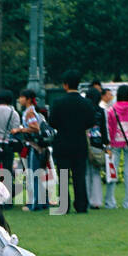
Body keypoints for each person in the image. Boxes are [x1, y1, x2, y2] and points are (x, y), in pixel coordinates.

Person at [48, 70, 96, 214]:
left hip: (62, 142)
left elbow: (52, 122)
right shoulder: (86, 103)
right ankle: (81, 205)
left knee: (63, 175)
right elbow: (91, 122)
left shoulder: (58, 102)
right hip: (80, 142)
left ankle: (64, 205)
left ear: (65, 85)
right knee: (79, 175)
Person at [106, 84, 128, 210]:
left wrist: (108, 144)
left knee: (112, 172)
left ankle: (110, 202)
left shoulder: (111, 110)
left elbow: (109, 128)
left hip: (114, 143)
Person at [83, 86, 107, 209]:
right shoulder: (101, 111)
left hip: (86, 143)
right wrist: (106, 144)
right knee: (96, 173)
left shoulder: (84, 111)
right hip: (97, 143)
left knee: (86, 173)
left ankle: (86, 199)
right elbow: (104, 129)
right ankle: (96, 201)